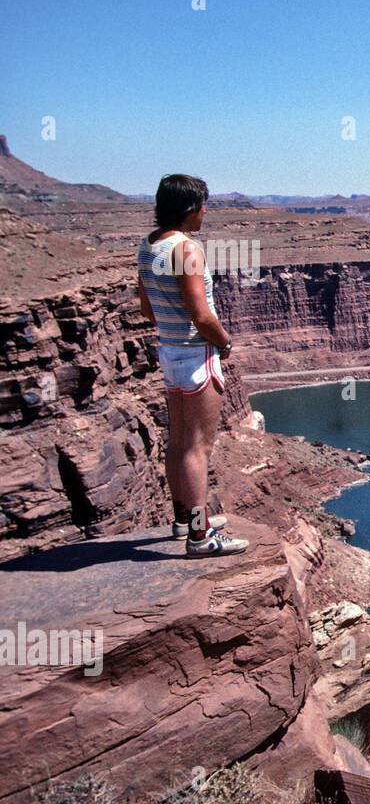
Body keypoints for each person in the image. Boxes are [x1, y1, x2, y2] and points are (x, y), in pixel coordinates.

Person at [136, 174, 248, 557]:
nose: (205, 213)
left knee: (179, 441)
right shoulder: (187, 250)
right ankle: (200, 538)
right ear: (191, 209)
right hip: (197, 356)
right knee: (198, 448)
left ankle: (183, 519)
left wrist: (173, 330)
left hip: (169, 353)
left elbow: (147, 308)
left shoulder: (147, 246)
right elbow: (201, 315)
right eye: (203, 206)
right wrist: (225, 341)